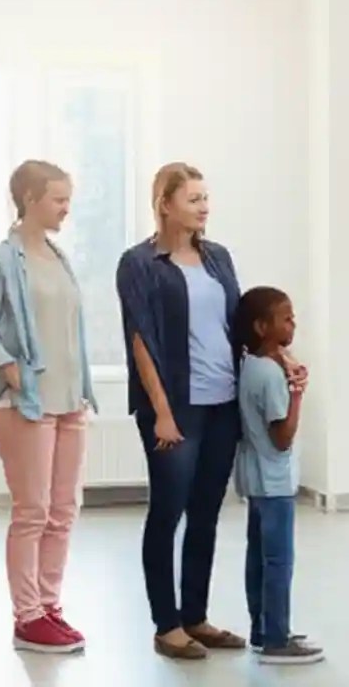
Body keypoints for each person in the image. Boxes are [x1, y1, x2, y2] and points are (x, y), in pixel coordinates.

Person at [115, 162, 246, 659]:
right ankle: (166, 625)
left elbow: (240, 324)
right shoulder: (139, 263)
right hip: (175, 407)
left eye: (206, 198)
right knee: (168, 512)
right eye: (193, 198)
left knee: (207, 514)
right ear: (165, 204)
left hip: (222, 404)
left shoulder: (218, 259)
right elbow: (140, 340)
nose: (204, 206)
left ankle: (196, 616)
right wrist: (162, 412)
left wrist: (282, 360)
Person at [0, 160, 97, 653]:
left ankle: (49, 606)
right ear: (29, 199)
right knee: (33, 511)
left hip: (69, 402)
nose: (67, 207)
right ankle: (26, 617)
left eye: (68, 198)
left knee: (64, 510)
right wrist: (10, 368)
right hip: (23, 404)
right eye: (58, 199)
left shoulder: (59, 258)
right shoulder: (1, 260)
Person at [231, 286, 322, 665]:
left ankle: (262, 629)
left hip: (255, 479)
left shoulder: (253, 364)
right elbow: (282, 438)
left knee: (259, 556)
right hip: (276, 483)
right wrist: (298, 394)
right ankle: (277, 638)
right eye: (286, 318)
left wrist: (286, 364)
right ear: (261, 325)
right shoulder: (271, 376)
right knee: (279, 561)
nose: (293, 323)